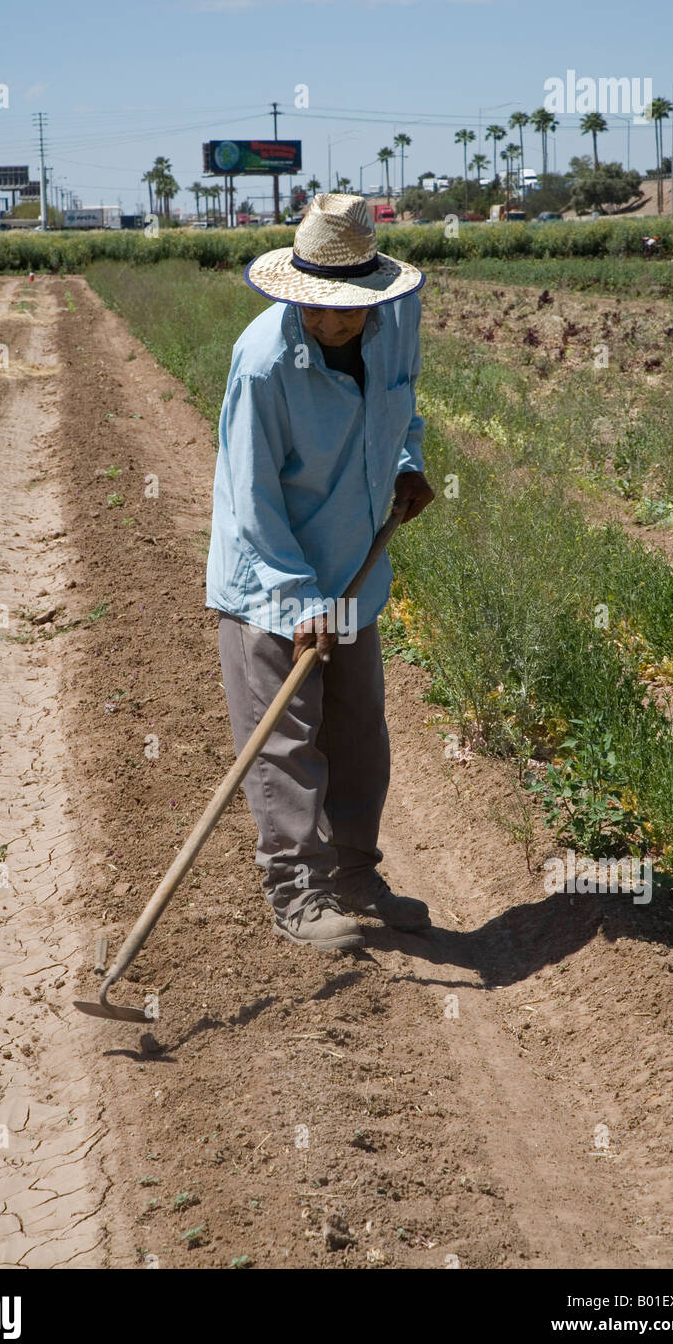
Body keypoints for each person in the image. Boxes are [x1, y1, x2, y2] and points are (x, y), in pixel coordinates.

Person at [206, 192, 436, 952]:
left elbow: (404, 413)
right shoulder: (265, 364)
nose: (331, 323)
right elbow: (252, 496)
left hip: (353, 568)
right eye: (318, 311)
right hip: (270, 582)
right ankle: (297, 892)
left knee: (357, 732)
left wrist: (408, 466)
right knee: (287, 742)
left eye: (347, 311)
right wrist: (296, 595)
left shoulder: (397, 319)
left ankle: (355, 875)